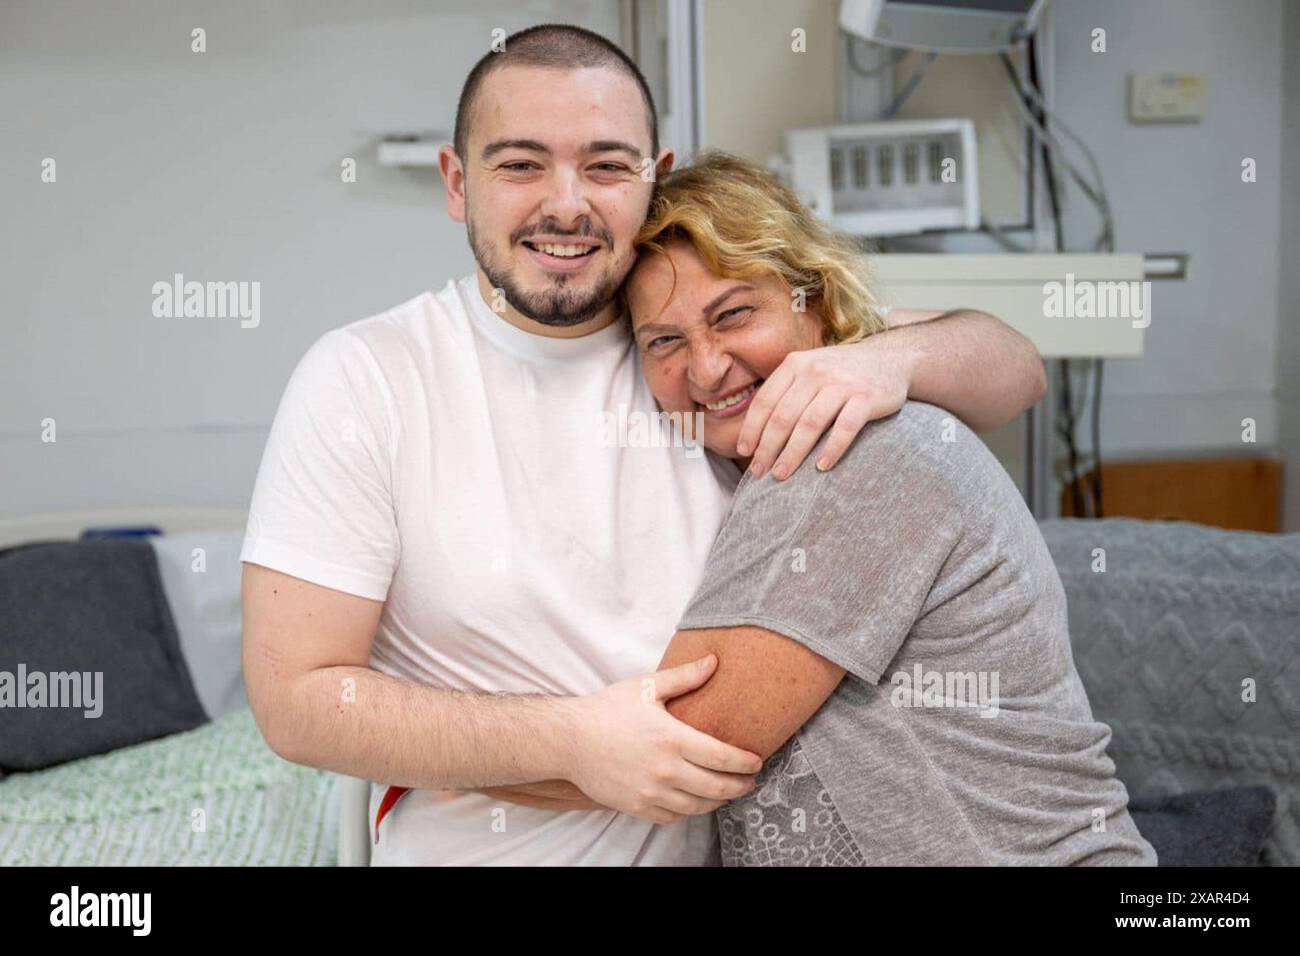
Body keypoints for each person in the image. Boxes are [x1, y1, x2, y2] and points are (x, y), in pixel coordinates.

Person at [240, 24, 1046, 866]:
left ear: (652, 181)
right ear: (457, 182)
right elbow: (296, 699)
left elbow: (1014, 367)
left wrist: (893, 357)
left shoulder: (702, 353)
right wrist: (568, 742)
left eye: (606, 165)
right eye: (519, 164)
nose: (566, 203)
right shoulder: (367, 378)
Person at [611, 151, 1155, 865]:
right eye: (666, 342)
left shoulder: (850, 443)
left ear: (813, 297)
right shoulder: (740, 434)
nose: (708, 367)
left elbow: (684, 747)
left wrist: (450, 755)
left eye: (735, 314)